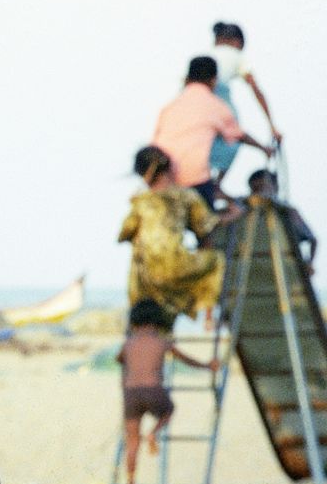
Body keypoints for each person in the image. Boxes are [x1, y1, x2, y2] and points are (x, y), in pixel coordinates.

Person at [118, 146, 242, 327]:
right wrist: (234, 213)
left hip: (145, 276)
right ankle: (210, 314)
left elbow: (124, 234)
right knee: (217, 260)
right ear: (170, 168)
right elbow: (207, 225)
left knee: (150, 319)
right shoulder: (186, 196)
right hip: (176, 266)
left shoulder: (142, 200)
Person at [116, 299, 220, 484]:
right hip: (153, 390)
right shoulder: (162, 342)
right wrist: (207, 365)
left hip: (131, 394)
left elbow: (119, 359)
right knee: (169, 410)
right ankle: (154, 432)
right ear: (158, 321)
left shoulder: (128, 343)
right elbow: (186, 359)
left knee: (132, 440)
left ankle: (130, 482)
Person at [152, 56, 273, 209]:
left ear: (187, 79)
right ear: (213, 81)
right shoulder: (216, 105)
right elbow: (239, 135)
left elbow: (155, 144)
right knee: (221, 218)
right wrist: (264, 149)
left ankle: (217, 191)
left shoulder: (169, 108)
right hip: (193, 178)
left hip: (161, 179)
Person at [209, 22, 283, 183]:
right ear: (237, 42)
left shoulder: (208, 54)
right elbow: (256, 90)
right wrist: (272, 125)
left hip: (191, 96)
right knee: (232, 134)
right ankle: (216, 184)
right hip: (216, 91)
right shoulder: (236, 55)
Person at [248, 169, 317, 275]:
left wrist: (310, 263)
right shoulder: (244, 210)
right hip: (252, 269)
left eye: (262, 187)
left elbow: (312, 240)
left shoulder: (288, 212)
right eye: (255, 189)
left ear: (275, 187)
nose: (259, 193)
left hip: (285, 270)